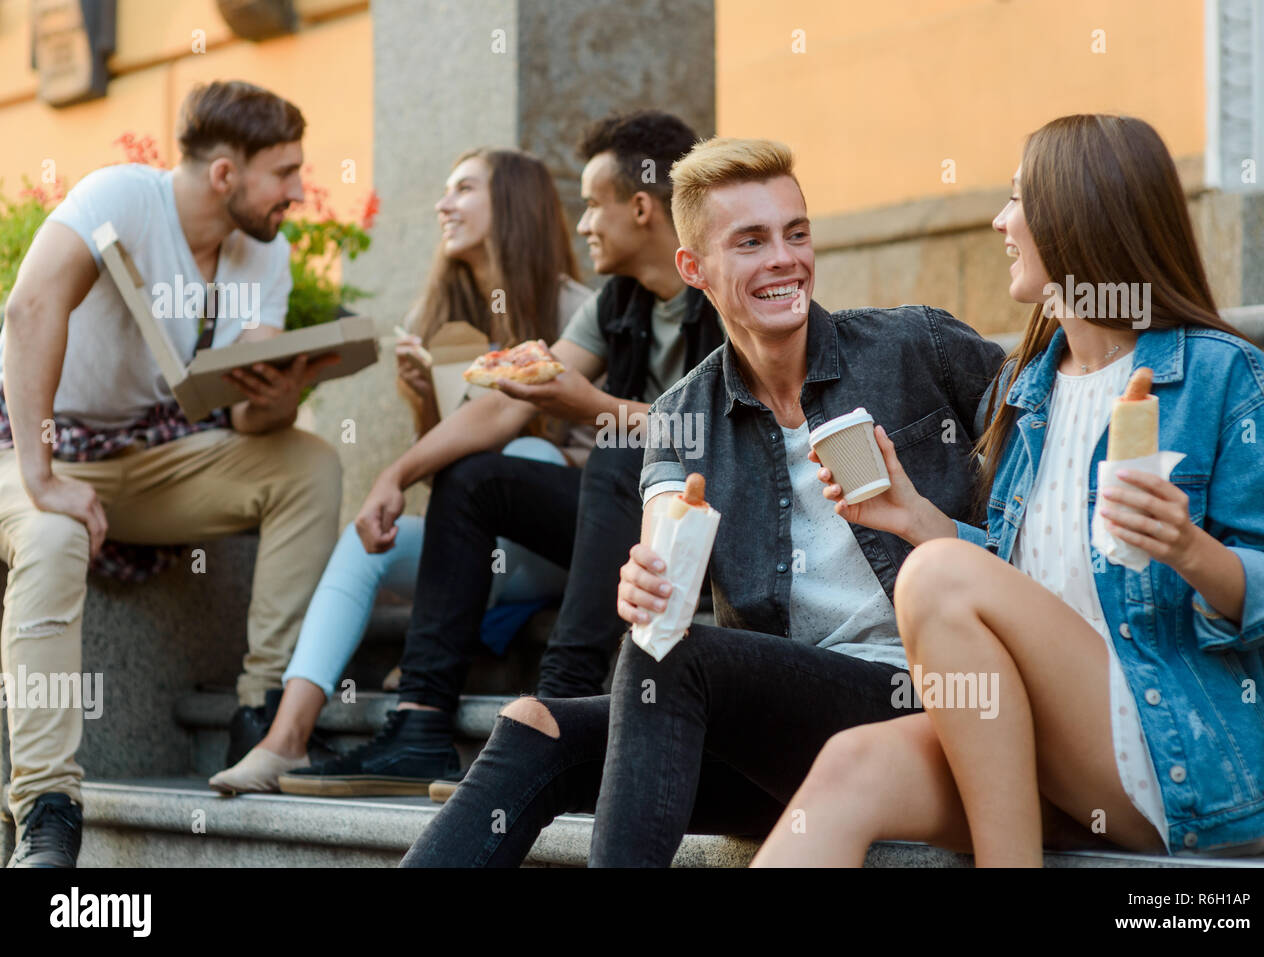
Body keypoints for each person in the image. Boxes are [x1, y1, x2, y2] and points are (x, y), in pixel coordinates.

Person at [399, 136, 1006, 867]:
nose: (785, 259)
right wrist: (647, 584)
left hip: (931, 699)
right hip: (787, 743)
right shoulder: (684, 415)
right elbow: (663, 563)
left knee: (677, 657)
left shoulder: (919, 346)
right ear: (694, 268)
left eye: (797, 233)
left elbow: (1047, 465)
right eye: (751, 241)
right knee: (535, 722)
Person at [751, 114, 1264, 868]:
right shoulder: (1026, 389)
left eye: (1019, 200)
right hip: (1047, 741)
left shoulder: (1225, 379)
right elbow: (1027, 587)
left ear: (1079, 217)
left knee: (935, 575)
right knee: (851, 767)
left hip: (1181, 759)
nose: (999, 221)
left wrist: (1191, 549)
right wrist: (916, 518)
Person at [262, 110, 727, 799]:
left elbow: (720, 440)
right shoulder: (613, 304)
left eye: (594, 205)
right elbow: (516, 401)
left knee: (617, 451)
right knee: (478, 477)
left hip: (716, 530)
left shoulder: (725, 291)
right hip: (627, 530)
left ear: (640, 207)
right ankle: (421, 723)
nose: (583, 225)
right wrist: (397, 472)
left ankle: (560, 711)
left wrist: (592, 408)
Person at [1, 80, 343, 867]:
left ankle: (259, 710)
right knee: (51, 538)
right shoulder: (123, 194)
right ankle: (47, 811)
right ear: (225, 174)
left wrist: (279, 399)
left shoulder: (265, 251)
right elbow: (28, 310)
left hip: (149, 455)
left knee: (310, 465)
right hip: (24, 447)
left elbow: (245, 413)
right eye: (284, 172)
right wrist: (40, 473)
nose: (297, 190)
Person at [208, 148, 592, 794]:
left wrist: (402, 467)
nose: (443, 204)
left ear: (515, 204)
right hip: (480, 546)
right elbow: (457, 479)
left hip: (561, 538)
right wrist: (427, 398)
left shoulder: (579, 307)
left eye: (464, 188)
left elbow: (557, 447)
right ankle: (284, 738)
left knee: (525, 456)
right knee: (361, 546)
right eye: (445, 190)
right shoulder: (435, 315)